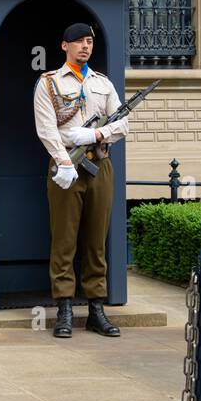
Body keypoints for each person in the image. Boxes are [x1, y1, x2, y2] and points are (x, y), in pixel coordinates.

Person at [32, 22, 129, 339]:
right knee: (64, 240)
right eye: (78, 41)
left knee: (96, 241)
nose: (85, 46)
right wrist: (63, 161)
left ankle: (96, 309)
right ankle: (64, 308)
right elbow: (46, 129)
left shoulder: (103, 83)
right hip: (66, 168)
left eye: (89, 41)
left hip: (99, 165)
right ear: (65, 46)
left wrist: (96, 133)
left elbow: (122, 122)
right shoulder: (48, 83)